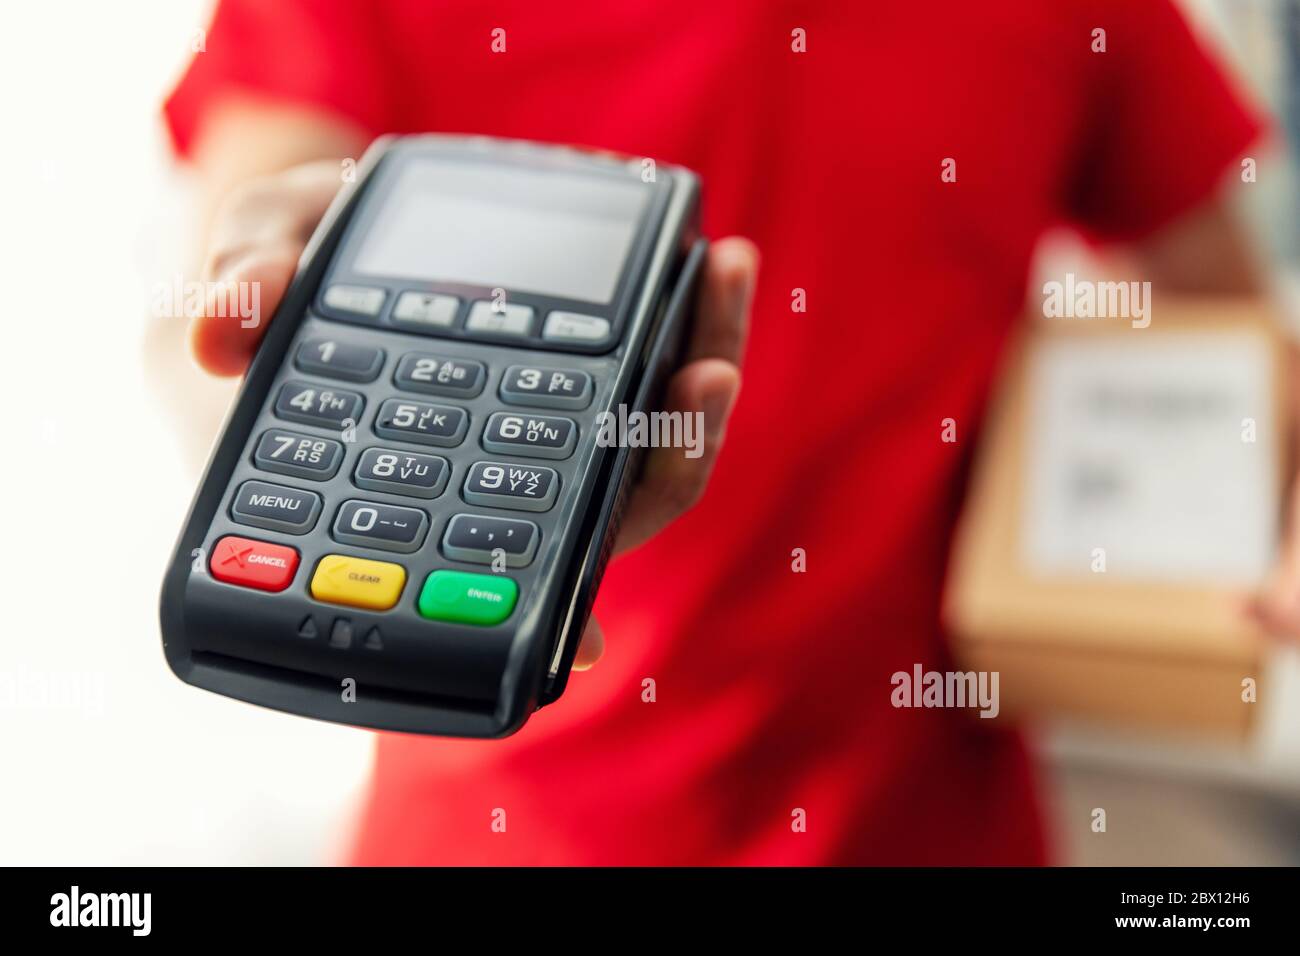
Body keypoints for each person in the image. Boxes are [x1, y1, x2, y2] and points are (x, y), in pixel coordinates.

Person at [163, 0, 1275, 864]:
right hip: (491, 812)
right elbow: (227, 279)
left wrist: (1265, 489)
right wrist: (279, 385)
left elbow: (1225, 334)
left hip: (927, 821)